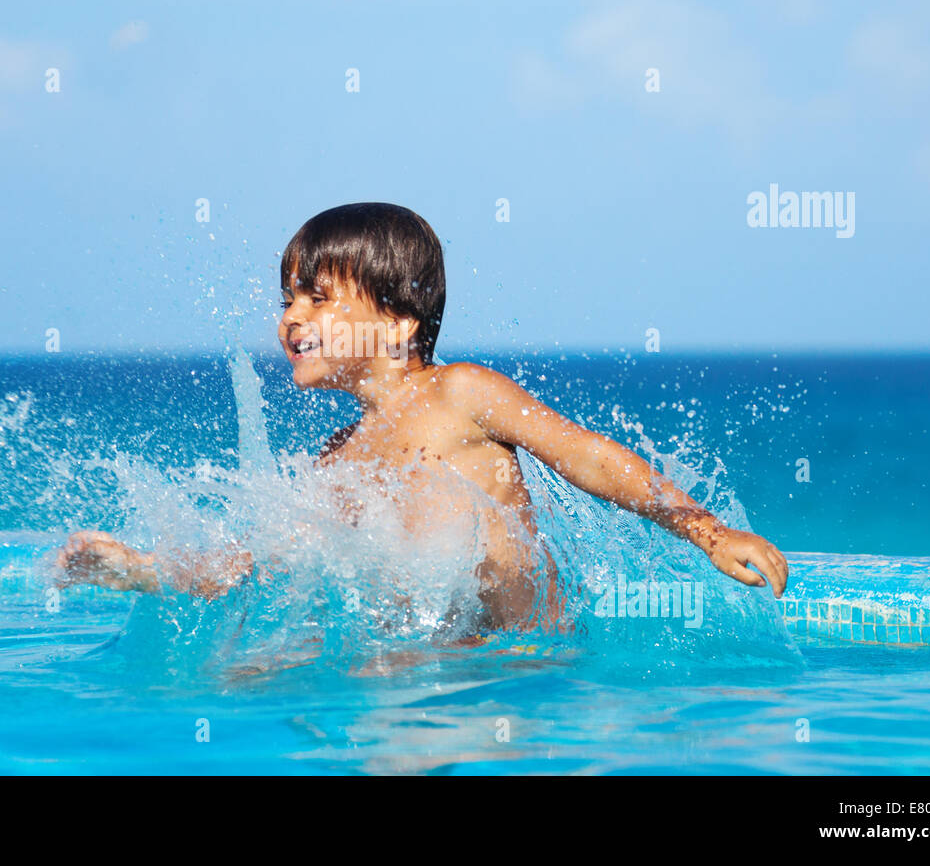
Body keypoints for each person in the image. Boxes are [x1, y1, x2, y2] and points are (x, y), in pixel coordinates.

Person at [55, 202, 788, 632]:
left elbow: (587, 457)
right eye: (287, 301)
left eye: (317, 298)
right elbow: (252, 565)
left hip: (528, 670)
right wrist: (145, 572)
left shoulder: (460, 394)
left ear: (401, 322)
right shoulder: (337, 461)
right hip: (431, 674)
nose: (291, 318)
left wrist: (707, 532)